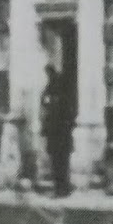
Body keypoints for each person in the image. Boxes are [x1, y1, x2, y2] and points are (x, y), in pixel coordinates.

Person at [39, 64, 74, 197]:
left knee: (60, 163)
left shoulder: (59, 94)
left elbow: (48, 106)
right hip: (57, 135)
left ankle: (62, 188)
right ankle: (61, 188)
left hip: (60, 135)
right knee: (59, 163)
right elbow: (44, 102)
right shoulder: (51, 90)